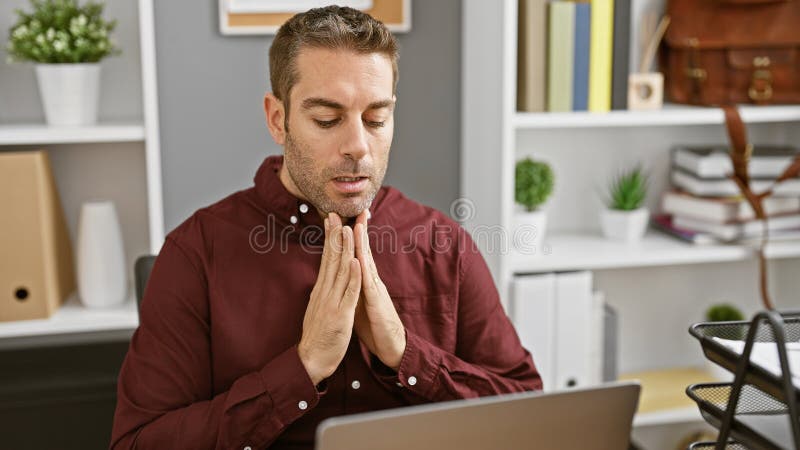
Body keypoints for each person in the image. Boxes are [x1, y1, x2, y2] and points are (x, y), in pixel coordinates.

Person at [110, 6, 541, 449]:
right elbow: (137, 443)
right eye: (327, 120)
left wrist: (404, 353)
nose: (358, 146)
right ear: (278, 119)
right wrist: (302, 368)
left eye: (376, 119)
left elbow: (529, 412)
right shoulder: (196, 253)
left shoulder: (443, 243)